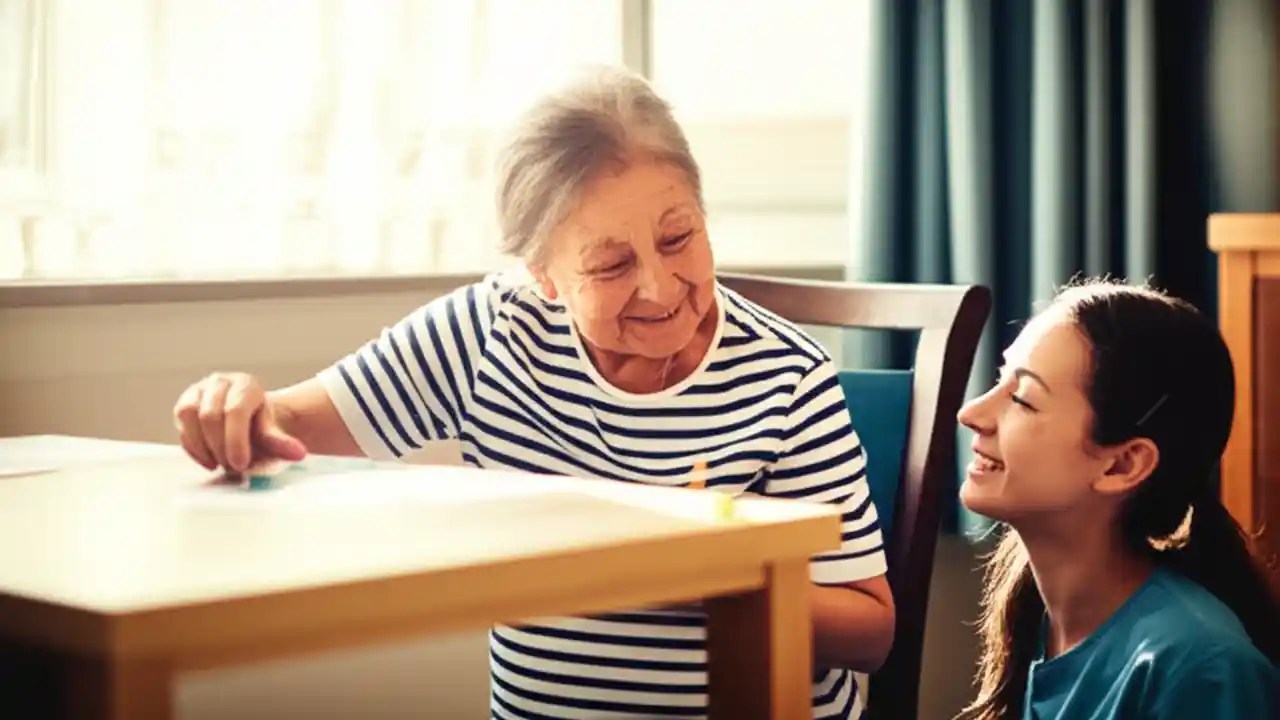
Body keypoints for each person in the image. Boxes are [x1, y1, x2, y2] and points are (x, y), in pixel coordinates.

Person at [172, 65, 893, 719]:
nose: (658, 286)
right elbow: (291, 428)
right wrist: (240, 405)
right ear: (541, 276)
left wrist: (694, 572)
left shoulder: (787, 374)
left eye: (678, 239)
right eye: (610, 264)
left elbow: (870, 630)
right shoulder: (494, 331)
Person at [954, 279, 1278, 720]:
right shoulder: (1039, 618)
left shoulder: (1199, 669)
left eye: (1023, 400)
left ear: (1122, 465)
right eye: (999, 380)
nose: (971, 413)